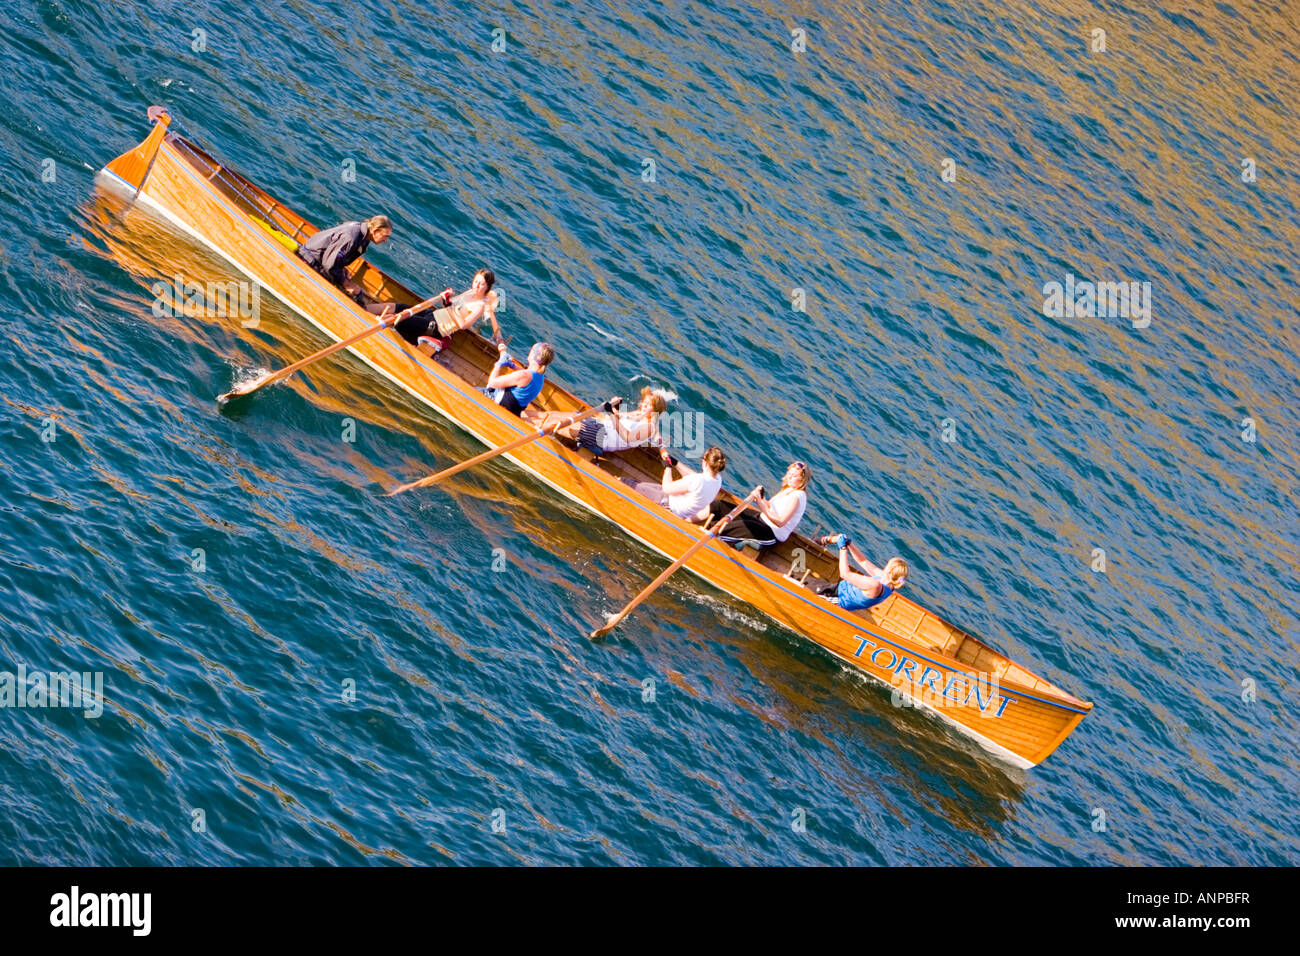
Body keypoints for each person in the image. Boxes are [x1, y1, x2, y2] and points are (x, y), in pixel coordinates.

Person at [377, 268, 501, 353]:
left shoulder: (479, 306)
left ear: (487, 287)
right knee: (399, 308)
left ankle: (378, 327)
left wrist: (455, 310)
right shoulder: (469, 292)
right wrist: (448, 297)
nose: (476, 286)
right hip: (432, 315)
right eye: (475, 281)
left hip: (437, 327)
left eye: (481, 284)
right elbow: (449, 305)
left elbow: (464, 325)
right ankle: (364, 308)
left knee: (398, 319)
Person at [706, 461, 811, 548]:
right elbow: (769, 506)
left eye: (795, 476)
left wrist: (761, 504)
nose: (790, 477)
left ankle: (708, 537)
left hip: (770, 534)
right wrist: (760, 497)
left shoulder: (797, 496)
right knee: (720, 505)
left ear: (802, 480)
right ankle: (693, 519)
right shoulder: (788, 489)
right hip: (761, 519)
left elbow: (780, 522)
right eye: (789, 473)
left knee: (727, 527)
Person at [538, 386, 668, 454]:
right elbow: (619, 417)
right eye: (644, 402)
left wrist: (611, 413)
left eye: (648, 405)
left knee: (551, 423)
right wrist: (615, 407)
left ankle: (528, 427)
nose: (643, 405)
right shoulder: (640, 413)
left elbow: (628, 437)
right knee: (551, 415)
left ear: (656, 410)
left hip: (602, 438)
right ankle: (525, 419)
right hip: (601, 426)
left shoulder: (649, 427)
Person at [296, 215, 392, 297]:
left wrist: (342, 269)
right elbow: (330, 265)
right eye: (385, 236)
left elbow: (336, 258)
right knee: (350, 292)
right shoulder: (351, 237)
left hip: (323, 261)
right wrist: (345, 283)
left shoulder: (365, 236)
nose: (386, 240)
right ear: (375, 231)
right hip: (309, 259)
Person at [627, 445, 726, 524]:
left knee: (627, 483)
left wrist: (668, 467)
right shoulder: (717, 479)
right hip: (675, 506)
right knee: (638, 484)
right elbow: (693, 477)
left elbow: (666, 488)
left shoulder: (697, 480)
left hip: (667, 503)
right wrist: (676, 463)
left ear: (705, 463)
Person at [812, 534, 908, 611]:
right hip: (838, 588)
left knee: (807, 589)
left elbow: (844, 574)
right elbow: (863, 561)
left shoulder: (875, 585)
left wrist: (842, 548)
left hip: (836, 597)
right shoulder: (889, 585)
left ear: (889, 571)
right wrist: (850, 545)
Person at [485, 341, 553, 417]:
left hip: (496, 406)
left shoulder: (524, 375)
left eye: (533, 349)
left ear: (537, 356)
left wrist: (499, 363)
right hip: (512, 412)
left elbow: (492, 382)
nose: (530, 350)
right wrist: (513, 366)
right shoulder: (540, 376)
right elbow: (527, 376)